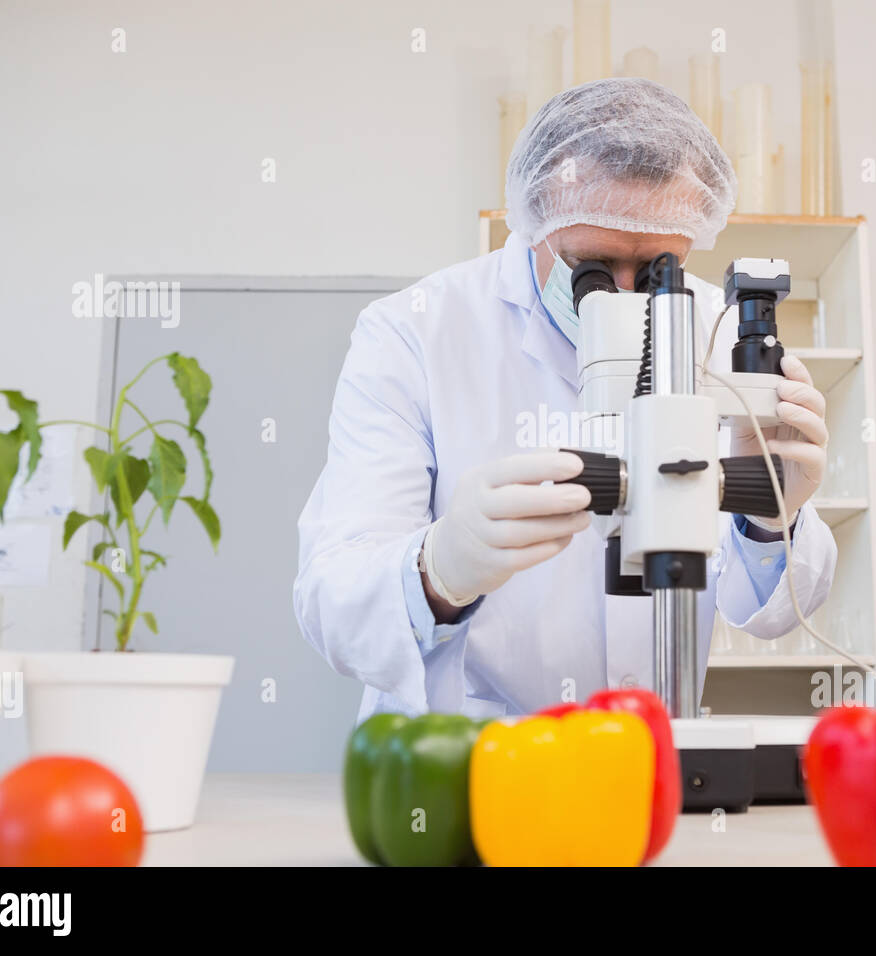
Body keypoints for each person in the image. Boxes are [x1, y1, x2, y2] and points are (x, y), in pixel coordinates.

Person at [294, 78, 836, 720]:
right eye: (595, 266)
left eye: (660, 267)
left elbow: (766, 614)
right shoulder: (415, 331)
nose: (625, 296)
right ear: (532, 222)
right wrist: (441, 568)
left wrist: (773, 518)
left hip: (650, 756)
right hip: (465, 766)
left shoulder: (716, 329)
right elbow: (333, 604)